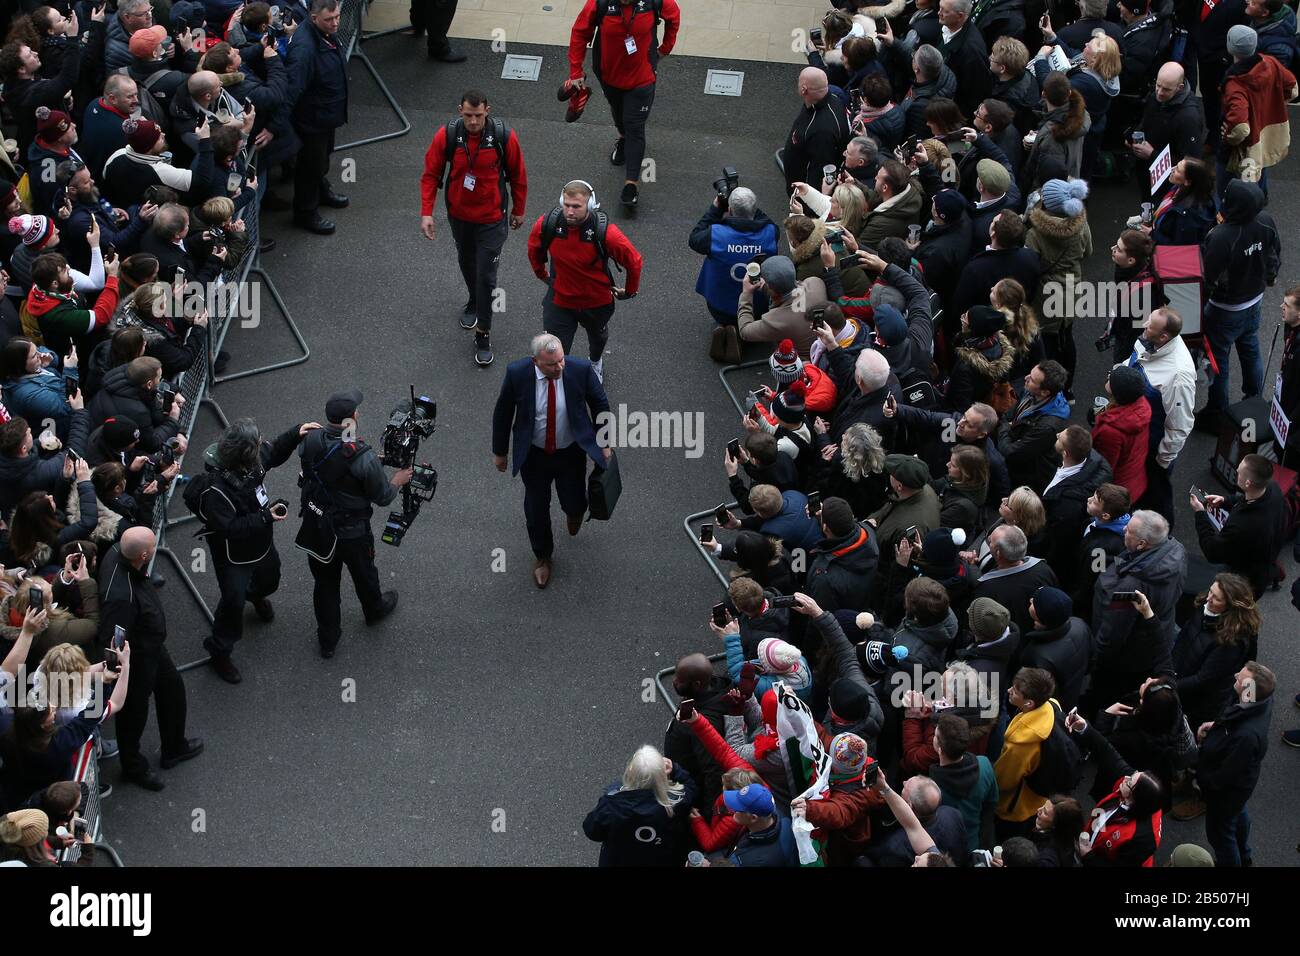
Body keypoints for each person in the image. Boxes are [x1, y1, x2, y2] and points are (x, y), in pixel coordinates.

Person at [184, 418, 320, 683]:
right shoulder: (216, 490)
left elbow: (273, 451)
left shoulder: (250, 463)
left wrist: (295, 434)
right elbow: (228, 528)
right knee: (232, 603)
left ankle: (255, 594)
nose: (262, 445)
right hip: (232, 555)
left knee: (271, 579)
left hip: (260, 542)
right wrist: (265, 518)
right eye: (257, 443)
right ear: (245, 454)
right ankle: (220, 651)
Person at [491, 334, 611, 590]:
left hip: (571, 452)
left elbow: (599, 403)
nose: (559, 368)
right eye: (551, 364)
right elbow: (503, 412)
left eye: (560, 361)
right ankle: (543, 557)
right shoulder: (517, 374)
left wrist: (604, 440)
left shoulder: (579, 369)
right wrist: (500, 452)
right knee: (536, 509)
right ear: (535, 361)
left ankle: (574, 513)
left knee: (575, 500)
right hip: (534, 456)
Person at [295, 390, 409, 657]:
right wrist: (398, 480)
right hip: (352, 532)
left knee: (325, 583)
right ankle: (374, 610)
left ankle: (328, 640)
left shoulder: (311, 439)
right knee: (364, 574)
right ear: (352, 417)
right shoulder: (361, 456)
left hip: (318, 526)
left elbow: (323, 465)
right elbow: (382, 496)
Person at [419, 90, 528, 368]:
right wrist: (426, 213)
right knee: (467, 263)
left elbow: (518, 175)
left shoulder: (504, 136)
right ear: (460, 110)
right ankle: (474, 300)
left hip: (491, 218)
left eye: (478, 115)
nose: (474, 121)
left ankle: (483, 334)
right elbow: (431, 174)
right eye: (468, 115)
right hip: (459, 216)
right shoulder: (448, 136)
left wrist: (519, 210)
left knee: (487, 276)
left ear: (487, 111)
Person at [98, 527, 199, 791]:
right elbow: (113, 640)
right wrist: (121, 671)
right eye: (153, 548)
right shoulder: (122, 597)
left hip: (152, 647)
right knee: (133, 715)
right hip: (137, 660)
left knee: (173, 690)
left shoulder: (116, 553)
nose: (155, 550)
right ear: (143, 555)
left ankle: (174, 747)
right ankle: (133, 767)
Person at [566, 0, 681, 208]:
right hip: (608, 74)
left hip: (642, 78)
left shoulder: (656, 2)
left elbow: (674, 17)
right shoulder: (599, 4)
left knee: (634, 126)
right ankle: (622, 138)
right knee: (618, 114)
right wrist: (575, 71)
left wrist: (666, 48)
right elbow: (580, 32)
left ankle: (631, 184)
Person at [526, 180, 643, 381]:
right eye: (567, 205)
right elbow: (533, 250)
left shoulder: (607, 233)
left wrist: (630, 290)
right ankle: (560, 381)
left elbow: (634, 261)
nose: (570, 211)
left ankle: (595, 362)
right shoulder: (548, 225)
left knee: (597, 338)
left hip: (596, 302)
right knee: (555, 348)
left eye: (576, 207)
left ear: (589, 206)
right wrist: (542, 275)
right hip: (560, 302)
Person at [1197, 181, 1281, 427]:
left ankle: (1216, 412)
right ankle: (1254, 398)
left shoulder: (1221, 236)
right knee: (1250, 347)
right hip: (1254, 301)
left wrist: (1198, 309)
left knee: (1218, 361)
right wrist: (1270, 278)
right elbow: (1274, 253)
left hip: (1224, 309)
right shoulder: (1265, 220)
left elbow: (1208, 278)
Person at [1089, 511, 1186, 709]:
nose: (1124, 529)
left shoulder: (1130, 586)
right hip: (1155, 641)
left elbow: (1113, 632)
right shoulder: (1177, 550)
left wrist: (1096, 658)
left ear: (1142, 544)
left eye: (1129, 531)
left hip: (1126, 658)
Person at [1117, 307, 1195, 525]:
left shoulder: (1179, 375)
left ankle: (1160, 533)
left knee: (1156, 496)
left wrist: (1162, 461)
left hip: (1154, 448)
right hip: (1137, 437)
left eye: (1150, 325)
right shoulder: (1150, 340)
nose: (1144, 326)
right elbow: (1132, 362)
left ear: (1164, 336)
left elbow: (1180, 425)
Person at [1064, 708, 1165, 866]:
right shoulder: (1139, 789)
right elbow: (1107, 753)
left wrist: (1088, 856)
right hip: (1095, 838)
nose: (1125, 778)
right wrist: (1084, 728)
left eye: (1129, 782)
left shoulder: (1142, 840)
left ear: (1133, 798)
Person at [284, 0, 351, 235]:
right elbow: (293, 89)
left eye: (337, 17)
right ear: (314, 18)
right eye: (329, 19)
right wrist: (276, 125)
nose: (335, 23)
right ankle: (305, 212)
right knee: (310, 166)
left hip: (326, 114)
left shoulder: (323, 34)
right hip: (312, 118)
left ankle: (321, 191)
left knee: (322, 158)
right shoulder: (304, 48)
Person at [1172, 573, 1260, 733]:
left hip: (1201, 701)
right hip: (1183, 679)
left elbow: (1203, 680)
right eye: (1210, 591)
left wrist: (1169, 685)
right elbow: (1183, 638)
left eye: (1216, 598)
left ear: (1231, 605)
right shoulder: (1206, 608)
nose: (1208, 599)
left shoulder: (1232, 642)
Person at [1218, 24, 1296, 199]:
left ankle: (1233, 214)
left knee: (1232, 186)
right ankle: (1260, 199)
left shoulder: (1235, 84)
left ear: (1231, 47)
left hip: (1247, 147)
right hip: (1268, 137)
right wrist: (1272, 105)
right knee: (1260, 169)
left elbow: (1241, 128)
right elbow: (1293, 89)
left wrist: (1228, 136)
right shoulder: (1270, 62)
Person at [582, 744, 695, 866]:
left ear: (631, 772)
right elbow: (691, 788)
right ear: (661, 776)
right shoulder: (674, 802)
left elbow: (592, 831)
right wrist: (675, 769)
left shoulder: (611, 805)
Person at [1190, 454, 1285, 598]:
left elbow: (1212, 551)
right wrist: (1225, 501)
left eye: (1239, 471)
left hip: (1243, 582)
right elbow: (1246, 499)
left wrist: (1200, 514)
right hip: (1263, 563)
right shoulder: (1272, 488)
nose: (1236, 472)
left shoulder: (1243, 525)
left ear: (1248, 483)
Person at [690, 186, 779, 334]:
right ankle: (747, 330)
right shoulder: (771, 232)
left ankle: (727, 328)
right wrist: (749, 205)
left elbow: (694, 238)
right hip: (759, 308)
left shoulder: (716, 234)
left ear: (730, 210)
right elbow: (765, 220)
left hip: (720, 308)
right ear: (754, 210)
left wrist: (716, 208)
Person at [993, 667, 1059, 841]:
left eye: (1014, 691)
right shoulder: (1051, 705)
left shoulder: (1021, 746)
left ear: (1029, 703)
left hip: (1016, 807)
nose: (1009, 691)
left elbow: (1004, 781)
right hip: (1038, 796)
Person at [1040, 425, 1113, 573]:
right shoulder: (1091, 459)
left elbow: (1059, 540)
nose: (1057, 434)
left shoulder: (1067, 503)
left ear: (1065, 453)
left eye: (1060, 438)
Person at [1128, 63, 1205, 195]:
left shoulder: (1188, 119)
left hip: (1168, 186)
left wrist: (1152, 154)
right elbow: (1146, 121)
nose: (1159, 92)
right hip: (1147, 174)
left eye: (1166, 89)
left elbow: (1191, 163)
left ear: (1179, 88)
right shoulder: (1157, 97)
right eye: (1158, 85)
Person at [928, 712, 998, 855]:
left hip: (945, 849)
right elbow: (992, 803)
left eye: (935, 735)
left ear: (940, 749)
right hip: (976, 844)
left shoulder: (932, 787)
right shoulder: (984, 765)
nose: (933, 737)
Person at [995, 360, 1071, 490]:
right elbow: (1007, 415)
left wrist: (1006, 427)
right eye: (1030, 374)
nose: (1026, 378)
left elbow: (1011, 453)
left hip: (1028, 479)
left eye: (1032, 380)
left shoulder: (1047, 427)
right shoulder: (1031, 392)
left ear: (1045, 392)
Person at [781, 67, 851, 196]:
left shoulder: (821, 131)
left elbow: (818, 172)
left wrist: (806, 202)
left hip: (802, 190)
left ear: (804, 90)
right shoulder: (834, 100)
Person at [1091, 364, 1152, 504]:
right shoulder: (1143, 405)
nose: (1108, 377)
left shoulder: (1112, 431)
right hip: (1134, 480)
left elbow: (1103, 466)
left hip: (1115, 494)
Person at [726, 782, 799, 866]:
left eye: (738, 808)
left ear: (753, 818)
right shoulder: (784, 819)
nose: (732, 809)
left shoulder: (755, 862)